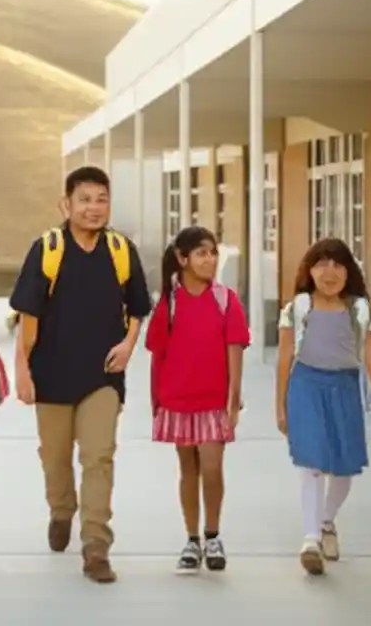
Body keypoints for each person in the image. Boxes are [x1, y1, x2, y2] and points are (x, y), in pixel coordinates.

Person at [10, 165, 152, 583]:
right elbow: (28, 316)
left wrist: (129, 345)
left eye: (101, 199)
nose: (94, 207)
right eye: (85, 199)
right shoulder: (48, 249)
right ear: (66, 204)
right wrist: (23, 370)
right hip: (51, 375)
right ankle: (61, 509)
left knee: (99, 456)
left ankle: (95, 545)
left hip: (102, 377)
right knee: (54, 458)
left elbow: (138, 307)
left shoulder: (120, 250)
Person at [276, 237, 371, 576]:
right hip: (306, 387)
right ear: (309, 271)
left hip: (344, 387)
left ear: (349, 271)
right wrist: (280, 405)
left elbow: (370, 358)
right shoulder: (297, 308)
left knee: (343, 468)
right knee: (311, 462)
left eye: (338, 264)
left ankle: (326, 521)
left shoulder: (359, 309)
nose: (330, 272)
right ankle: (311, 538)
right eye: (321, 264)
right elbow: (284, 359)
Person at [144, 226, 249, 574]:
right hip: (176, 401)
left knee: (212, 467)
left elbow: (235, 350)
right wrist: (156, 401)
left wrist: (234, 400)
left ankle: (213, 535)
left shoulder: (225, 299)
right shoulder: (169, 303)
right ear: (182, 258)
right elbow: (157, 356)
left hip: (214, 401)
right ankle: (191, 539)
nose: (209, 260)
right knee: (187, 469)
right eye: (202, 253)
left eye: (213, 252)